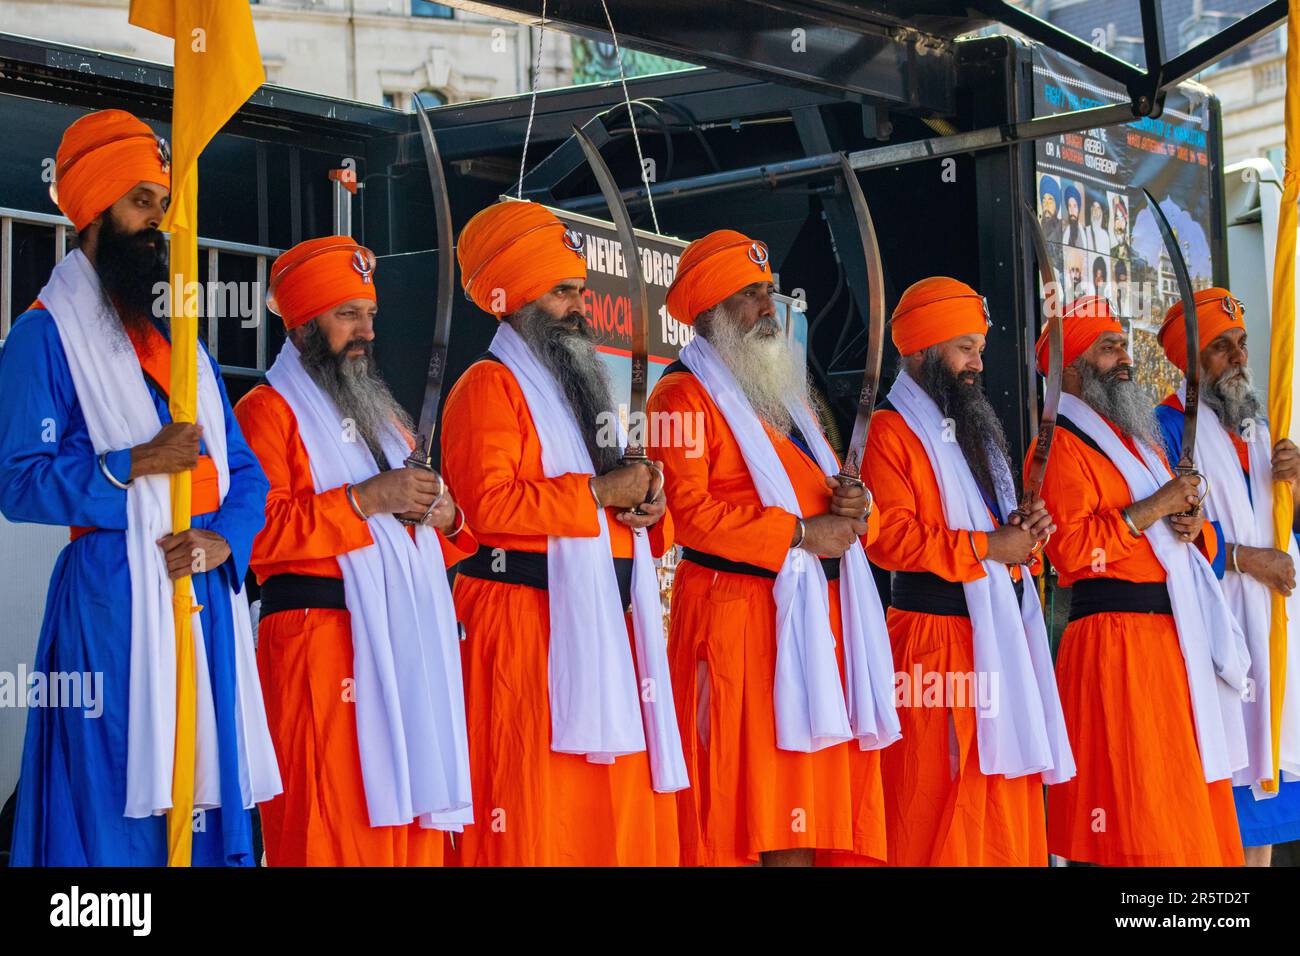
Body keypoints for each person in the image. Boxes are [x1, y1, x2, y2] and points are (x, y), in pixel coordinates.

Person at [0, 109, 280, 865]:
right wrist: (134, 463)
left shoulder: (180, 341)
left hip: (205, 595)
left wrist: (227, 538)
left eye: (162, 203)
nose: (158, 220)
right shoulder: (40, 335)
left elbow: (247, 473)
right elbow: (19, 484)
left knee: (207, 790)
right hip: (110, 603)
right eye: (141, 202)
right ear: (95, 209)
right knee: (115, 794)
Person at [440, 200, 686, 866]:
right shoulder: (486, 387)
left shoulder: (582, 392)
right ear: (517, 299)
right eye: (562, 292)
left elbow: (612, 505)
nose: (580, 306)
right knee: (531, 813)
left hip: (606, 622)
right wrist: (603, 493)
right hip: (521, 627)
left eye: (581, 291)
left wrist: (646, 505)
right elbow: (486, 507)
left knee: (611, 821)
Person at [648, 229, 899, 866]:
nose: (769, 308)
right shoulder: (678, 395)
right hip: (736, 622)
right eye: (750, 295)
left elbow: (820, 489)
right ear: (709, 311)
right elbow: (692, 516)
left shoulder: (784, 391)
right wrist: (800, 534)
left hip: (813, 619)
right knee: (755, 806)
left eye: (769, 292)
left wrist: (852, 505)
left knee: (807, 803)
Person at [233, 236, 475, 865]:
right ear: (306, 324)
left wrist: (446, 518)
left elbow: (426, 538)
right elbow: (257, 537)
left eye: (370, 315)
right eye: (348, 314)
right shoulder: (265, 411)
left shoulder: (389, 419)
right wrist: (364, 499)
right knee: (329, 824)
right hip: (316, 645)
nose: (366, 330)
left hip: (406, 642)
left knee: (407, 838)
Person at [1034, 294, 1249, 866]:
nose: (1125, 358)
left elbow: (1186, 543)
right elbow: (1074, 550)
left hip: (1173, 642)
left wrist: (1192, 522)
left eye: (1124, 345)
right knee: (1140, 815)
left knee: (1184, 809)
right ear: (1074, 369)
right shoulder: (1056, 445)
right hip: (1116, 644)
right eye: (1109, 348)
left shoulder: (1139, 441)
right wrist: (1154, 506)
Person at [863, 276, 1071, 865]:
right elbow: (890, 539)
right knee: (934, 799)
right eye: (964, 348)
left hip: (998, 636)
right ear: (924, 352)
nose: (978, 362)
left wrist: (1026, 530)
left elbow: (1001, 541)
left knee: (999, 802)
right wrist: (989, 546)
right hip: (930, 642)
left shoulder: (973, 425)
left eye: (980, 347)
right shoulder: (889, 430)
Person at [1154, 288, 1300, 866]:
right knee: (1219, 802)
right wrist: (1246, 560)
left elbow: (1290, 533)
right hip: (1214, 633)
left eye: (1240, 344)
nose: (1239, 357)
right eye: (1221, 347)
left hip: (1275, 630)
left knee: (1263, 803)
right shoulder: (1167, 428)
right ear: (1189, 362)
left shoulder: (1260, 429)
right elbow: (1169, 539)